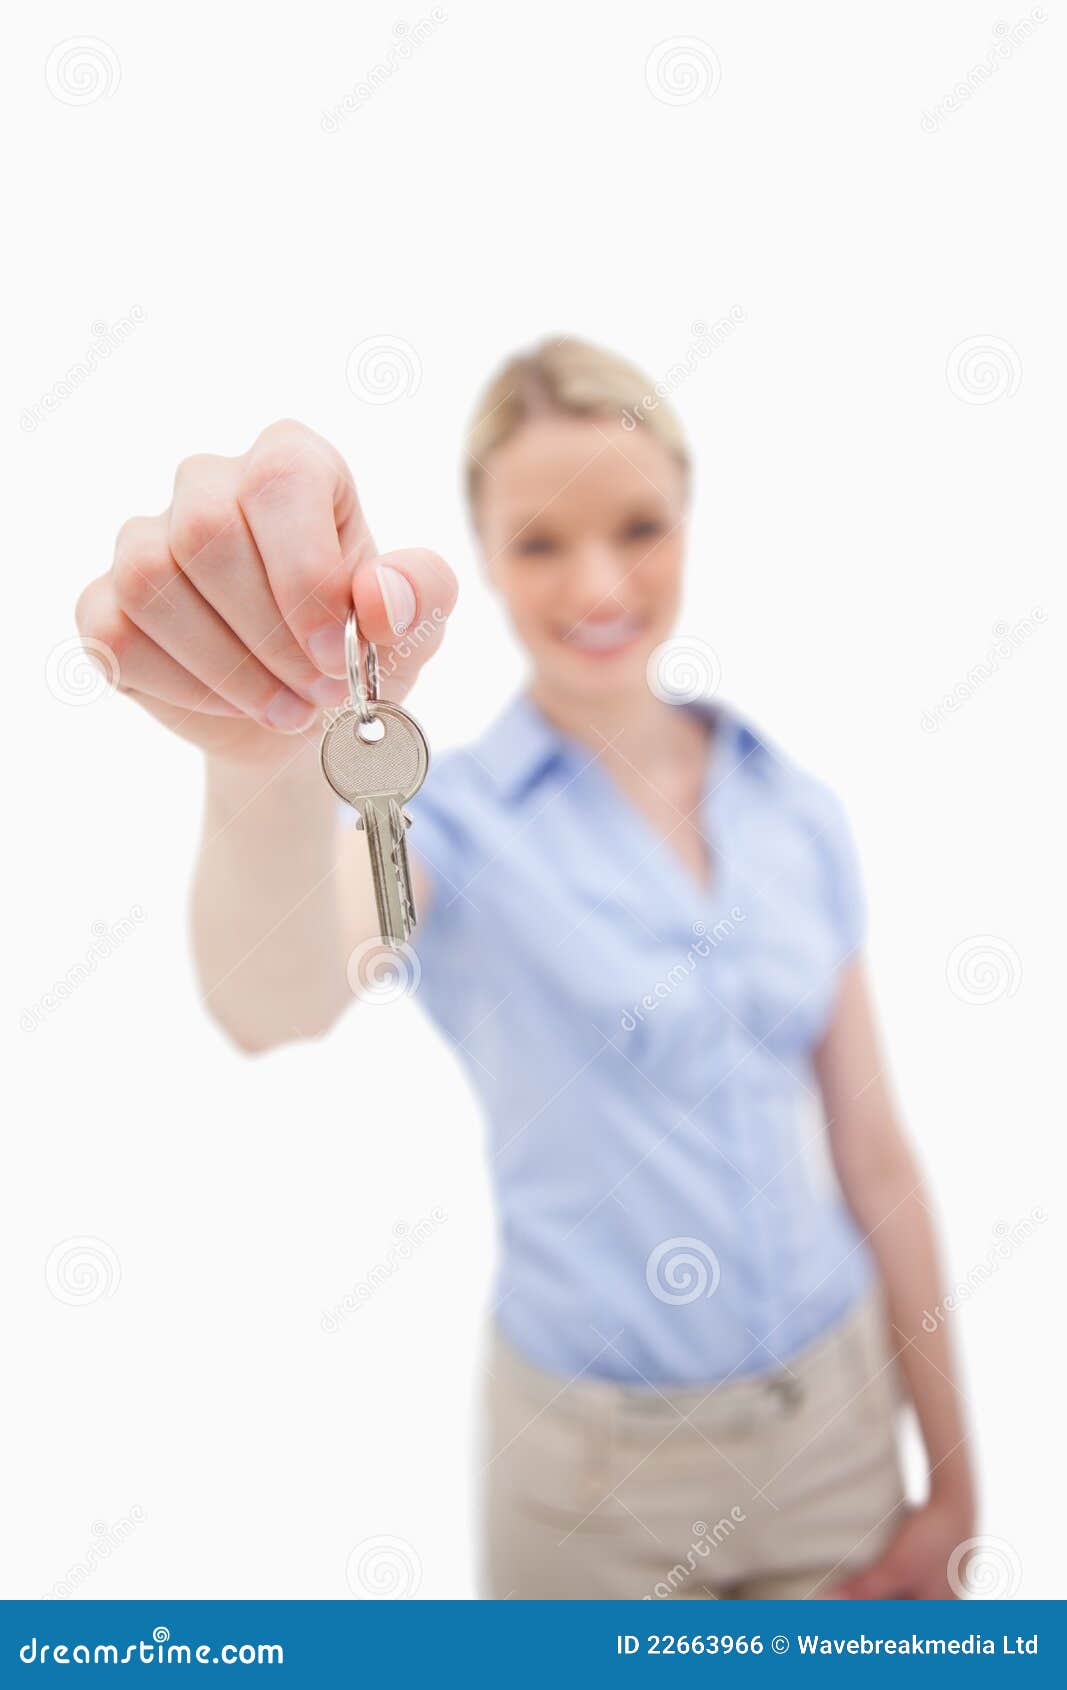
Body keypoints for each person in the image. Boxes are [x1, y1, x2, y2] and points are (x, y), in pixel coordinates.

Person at [75, 337, 975, 1600]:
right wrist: (262, 762)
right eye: (541, 542)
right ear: (487, 559)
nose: (596, 578)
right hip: (593, 1491)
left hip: (837, 1437)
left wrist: (953, 1484)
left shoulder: (796, 811)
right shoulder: (451, 824)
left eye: (637, 526)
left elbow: (873, 1154)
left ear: (687, 525)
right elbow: (266, 1000)